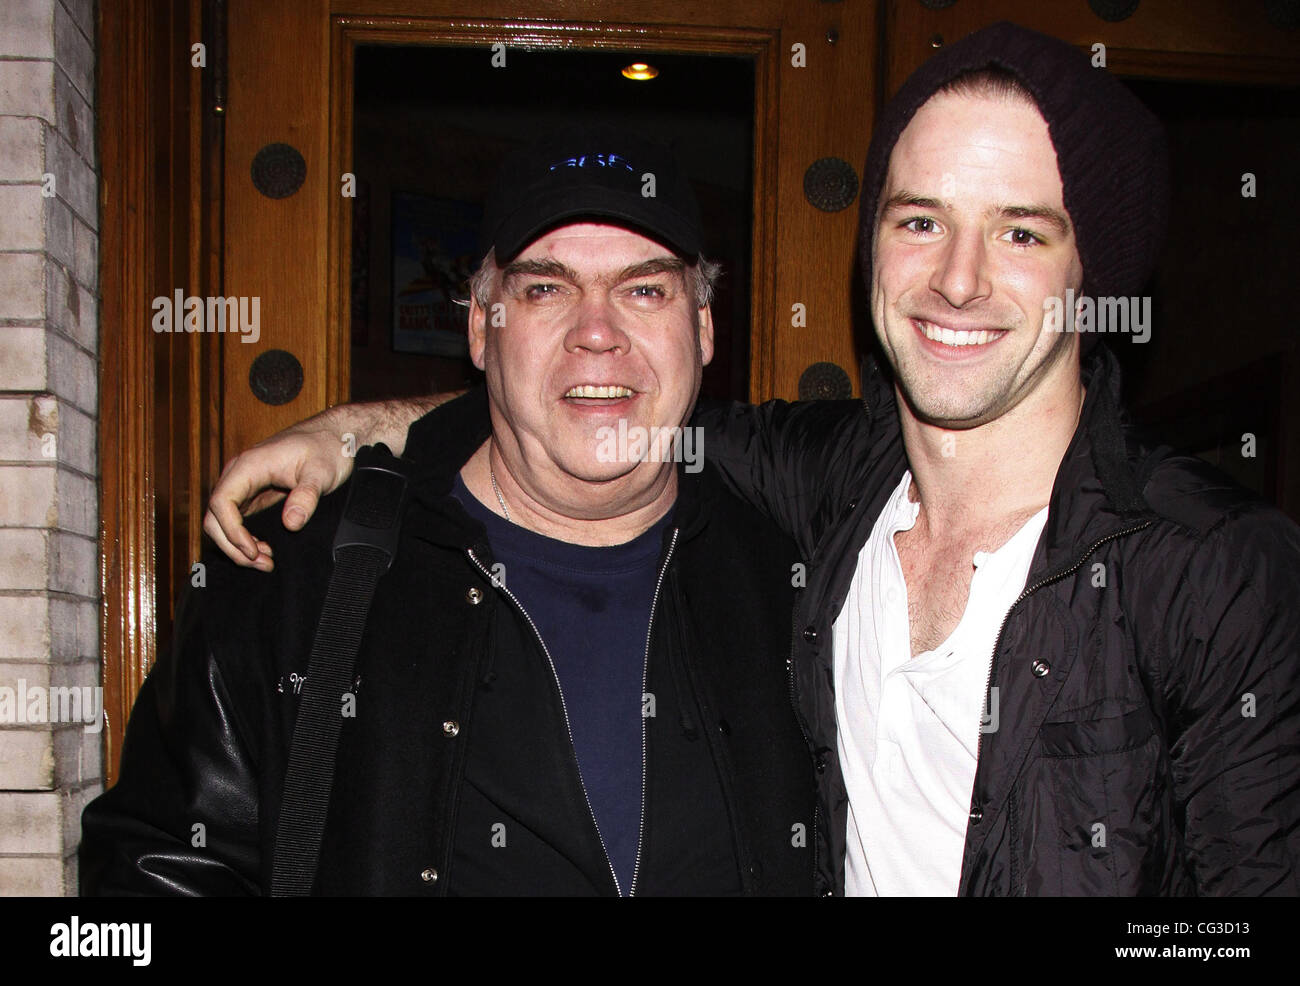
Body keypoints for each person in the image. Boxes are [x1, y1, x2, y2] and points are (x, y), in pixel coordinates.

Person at [203, 23, 1300, 896]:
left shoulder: (1214, 572)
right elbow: (589, 411)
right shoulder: (828, 487)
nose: (958, 280)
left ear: (1091, 273)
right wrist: (354, 426)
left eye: (1021, 232)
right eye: (918, 221)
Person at [80, 126, 816, 896]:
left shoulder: (803, 572)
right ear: (479, 326)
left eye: (644, 289)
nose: (597, 333)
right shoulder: (300, 571)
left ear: (700, 329)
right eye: (545, 288)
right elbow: (152, 873)